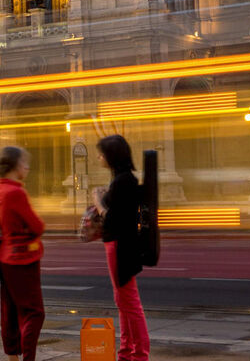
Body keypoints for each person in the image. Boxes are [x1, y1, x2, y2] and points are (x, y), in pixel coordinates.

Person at [95, 134, 149, 361]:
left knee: (129, 302)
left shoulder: (122, 181)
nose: (99, 157)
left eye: (101, 153)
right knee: (123, 301)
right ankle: (126, 351)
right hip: (121, 244)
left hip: (119, 245)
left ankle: (139, 355)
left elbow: (110, 219)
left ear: (111, 156)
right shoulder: (124, 179)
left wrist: (97, 201)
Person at [0, 146, 46, 361]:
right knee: (34, 313)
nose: (28, 167)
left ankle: (12, 357)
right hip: (23, 258)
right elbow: (37, 226)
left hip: (5, 258)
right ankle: (28, 358)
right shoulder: (16, 192)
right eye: (24, 163)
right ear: (15, 166)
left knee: (10, 312)